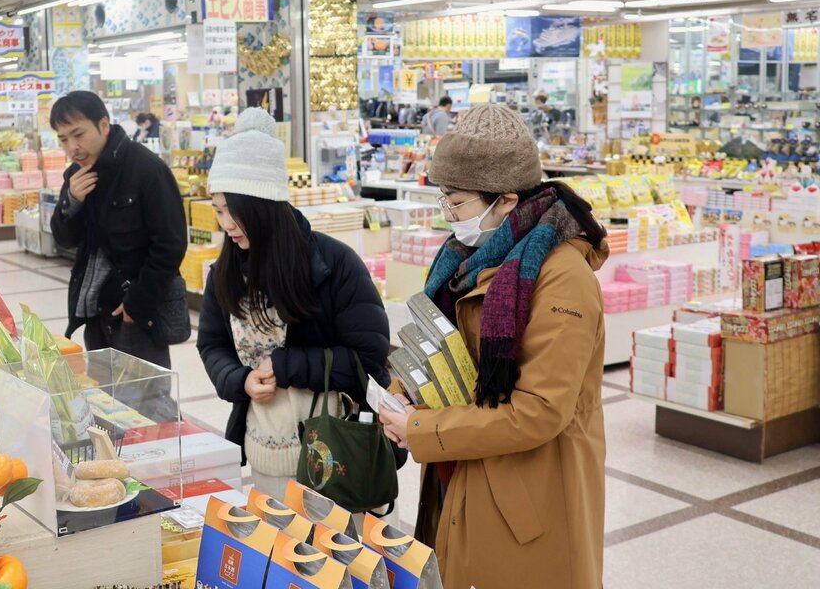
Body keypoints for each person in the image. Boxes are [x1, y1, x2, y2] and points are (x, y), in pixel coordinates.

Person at [377, 103, 608, 589]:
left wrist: (420, 428)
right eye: (444, 200)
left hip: (528, 494)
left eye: (457, 203)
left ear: (505, 200)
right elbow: (446, 348)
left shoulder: (562, 278)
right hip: (463, 465)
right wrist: (405, 392)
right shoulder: (467, 260)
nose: (449, 216)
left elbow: (539, 411)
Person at [197, 108, 392, 500]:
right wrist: (239, 379)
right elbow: (212, 343)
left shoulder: (333, 264)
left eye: (234, 211)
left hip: (336, 452)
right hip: (263, 450)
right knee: (277, 532)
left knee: (336, 538)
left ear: (265, 205)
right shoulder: (226, 272)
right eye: (218, 210)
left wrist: (285, 366)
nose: (226, 224)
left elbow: (369, 359)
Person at [50, 91, 187, 369]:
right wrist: (72, 201)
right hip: (95, 312)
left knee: (146, 393)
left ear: (103, 125)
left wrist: (135, 305)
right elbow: (64, 239)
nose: (72, 147)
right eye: (63, 139)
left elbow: (170, 245)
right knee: (103, 392)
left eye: (78, 134)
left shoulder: (146, 169)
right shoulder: (76, 175)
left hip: (137, 314)